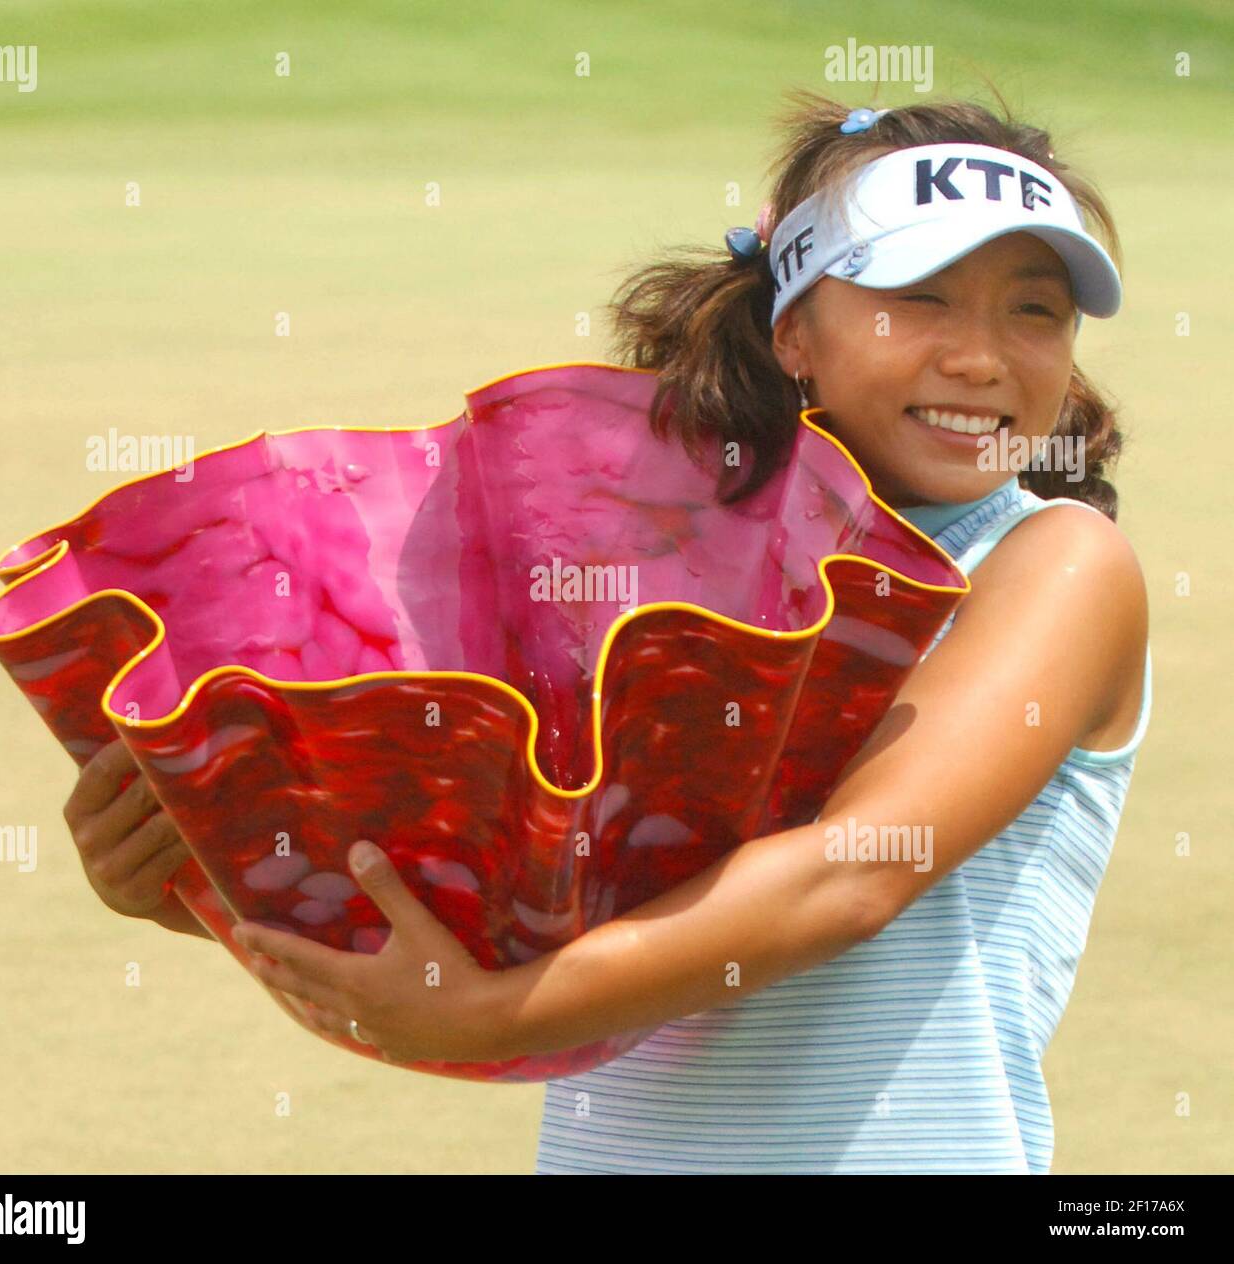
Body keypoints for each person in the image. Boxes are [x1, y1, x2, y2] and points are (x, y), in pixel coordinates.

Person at [63, 89, 1151, 1175]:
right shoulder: (662, 561)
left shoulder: (1053, 564)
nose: (980, 358)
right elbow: (508, 903)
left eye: (1035, 311)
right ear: (794, 333)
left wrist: (492, 1021)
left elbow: (852, 874)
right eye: (917, 299)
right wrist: (202, 880)